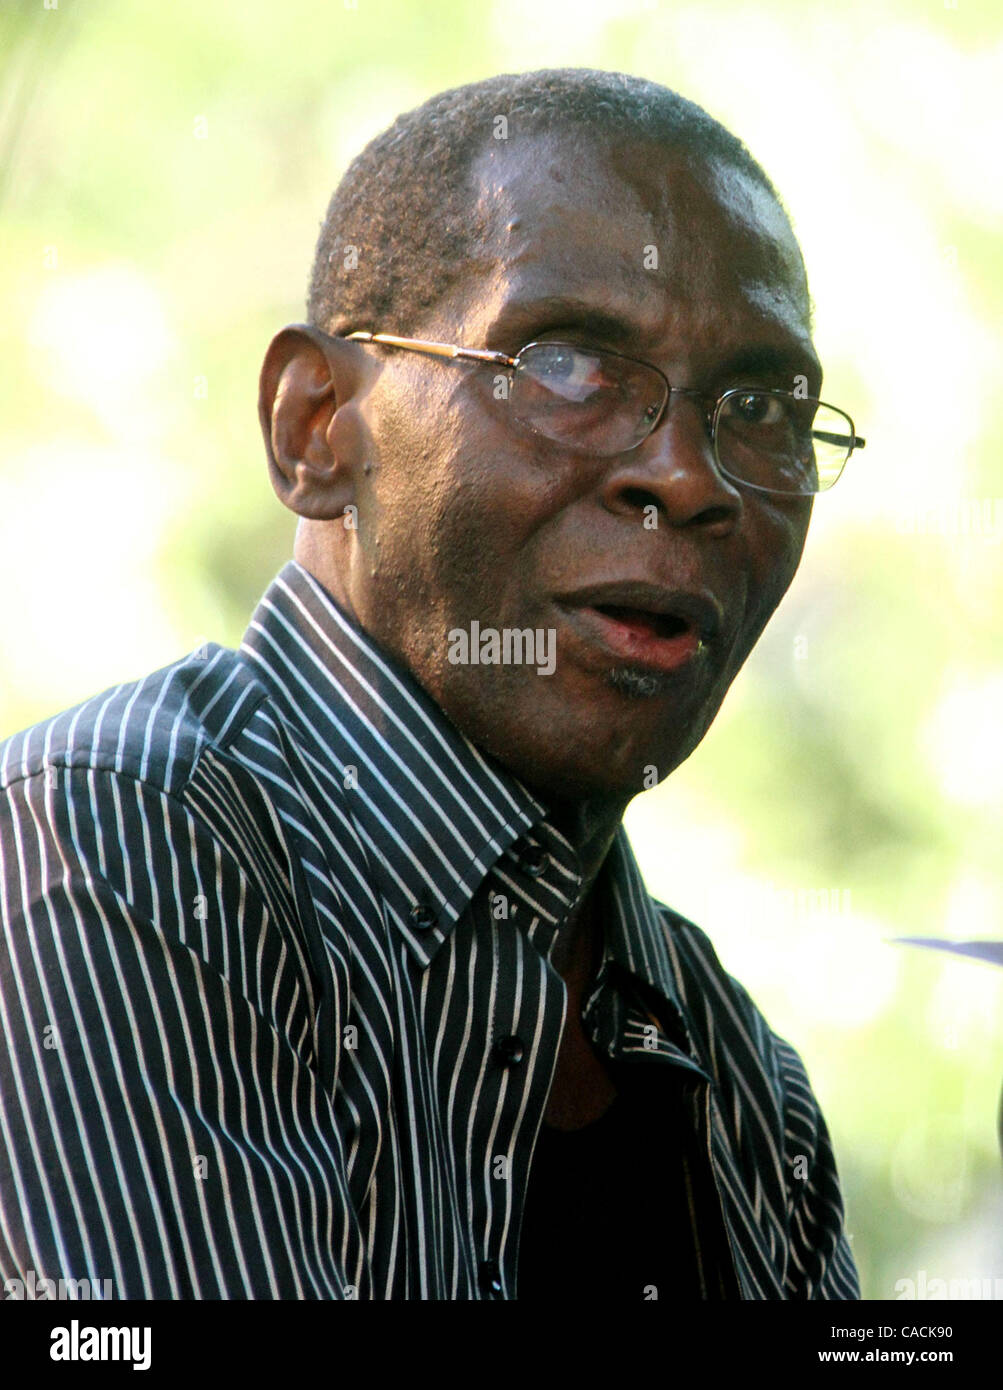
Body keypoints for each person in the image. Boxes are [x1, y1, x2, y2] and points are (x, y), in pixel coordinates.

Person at [0, 68, 865, 1300]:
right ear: (317, 430)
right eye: (567, 364)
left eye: (761, 404)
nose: (687, 476)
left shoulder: (736, 1079)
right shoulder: (109, 848)